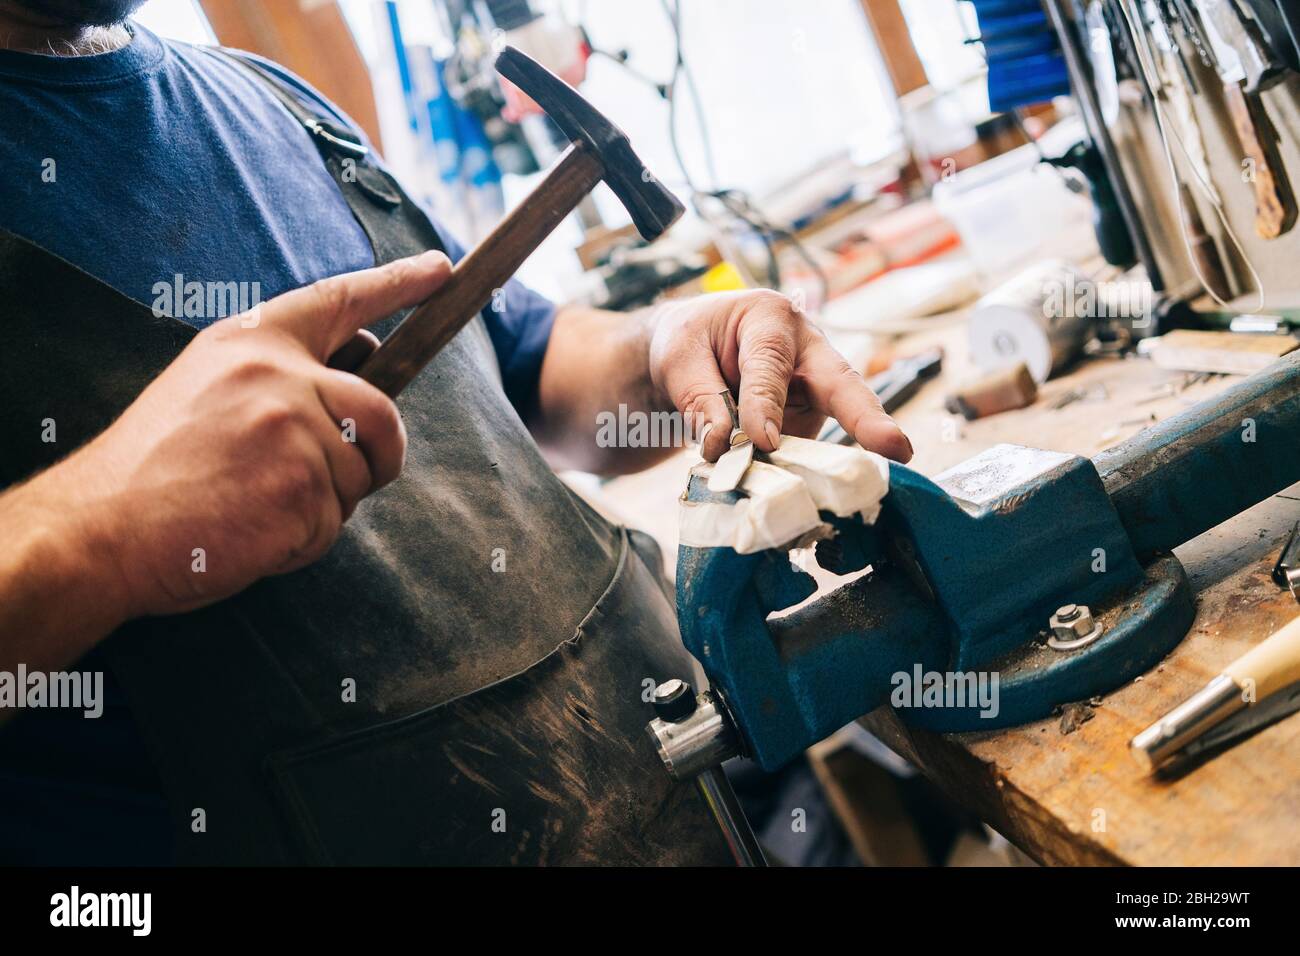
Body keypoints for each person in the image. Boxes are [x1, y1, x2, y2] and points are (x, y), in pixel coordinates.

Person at [0, 0, 911, 864]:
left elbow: (520, 365)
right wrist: (104, 522)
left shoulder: (271, 101)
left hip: (676, 793)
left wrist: (666, 346)